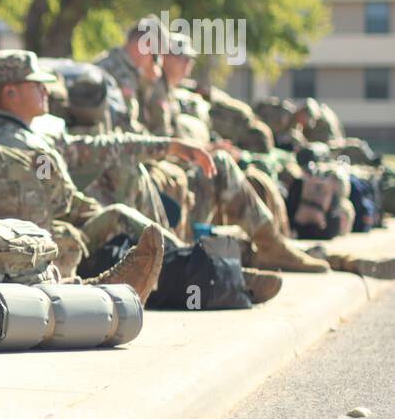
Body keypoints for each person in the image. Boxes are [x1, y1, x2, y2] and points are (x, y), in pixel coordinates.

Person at [0, 50, 224, 298]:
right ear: (10, 93)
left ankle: (189, 264)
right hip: (47, 244)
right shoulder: (21, 147)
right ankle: (191, 265)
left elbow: (98, 148)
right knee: (120, 215)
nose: (46, 90)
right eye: (36, 84)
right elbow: (52, 208)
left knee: (123, 179)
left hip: (40, 239)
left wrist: (169, 145)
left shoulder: (8, 138)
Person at [134, 34, 330, 272]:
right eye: (182, 58)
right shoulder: (153, 91)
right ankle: (271, 247)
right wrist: (205, 152)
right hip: (169, 189)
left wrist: (207, 149)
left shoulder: (172, 93)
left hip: (183, 183)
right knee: (221, 164)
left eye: (190, 60)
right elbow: (158, 146)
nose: (188, 65)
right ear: (164, 58)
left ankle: (273, 244)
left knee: (251, 176)